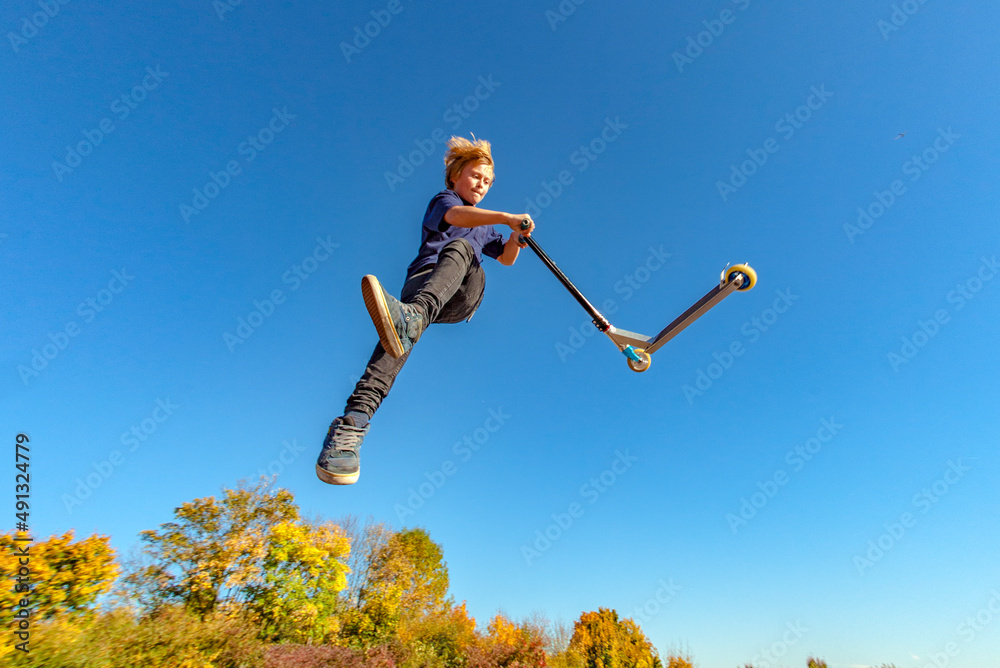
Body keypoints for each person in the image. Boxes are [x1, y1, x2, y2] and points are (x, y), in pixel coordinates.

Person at [316, 136, 535, 485]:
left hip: (463, 294)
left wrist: (514, 239)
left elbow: (507, 259)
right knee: (393, 345)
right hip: (424, 283)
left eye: (488, 182)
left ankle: (413, 317)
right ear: (454, 177)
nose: (483, 184)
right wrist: (507, 217)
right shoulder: (445, 200)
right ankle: (352, 426)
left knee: (461, 249)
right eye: (477, 176)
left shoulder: (487, 226)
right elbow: (456, 216)